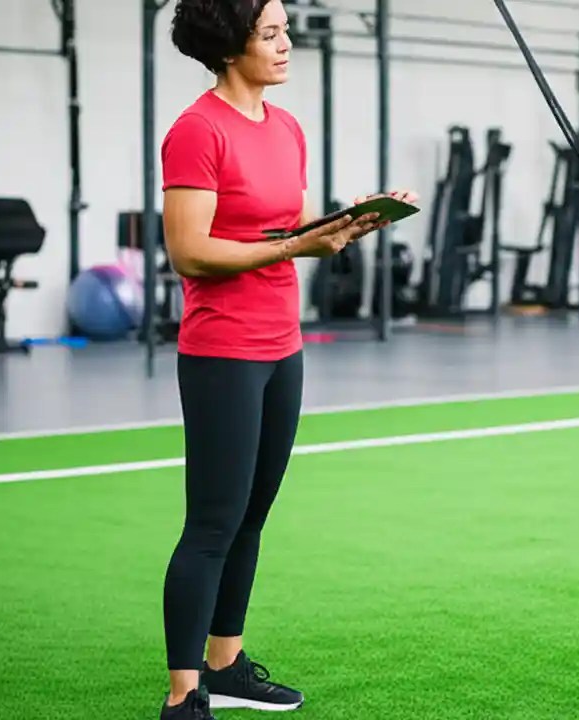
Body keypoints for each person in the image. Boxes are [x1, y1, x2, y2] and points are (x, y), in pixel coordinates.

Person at [157, 1, 417, 718]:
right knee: (212, 521)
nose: (286, 44)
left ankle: (228, 663)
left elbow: (292, 227)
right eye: (269, 33)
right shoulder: (196, 131)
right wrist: (297, 246)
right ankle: (185, 697)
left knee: (251, 517)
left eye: (283, 30)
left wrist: (348, 221)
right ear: (229, 45)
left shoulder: (287, 128)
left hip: (282, 345)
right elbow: (190, 250)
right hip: (222, 351)